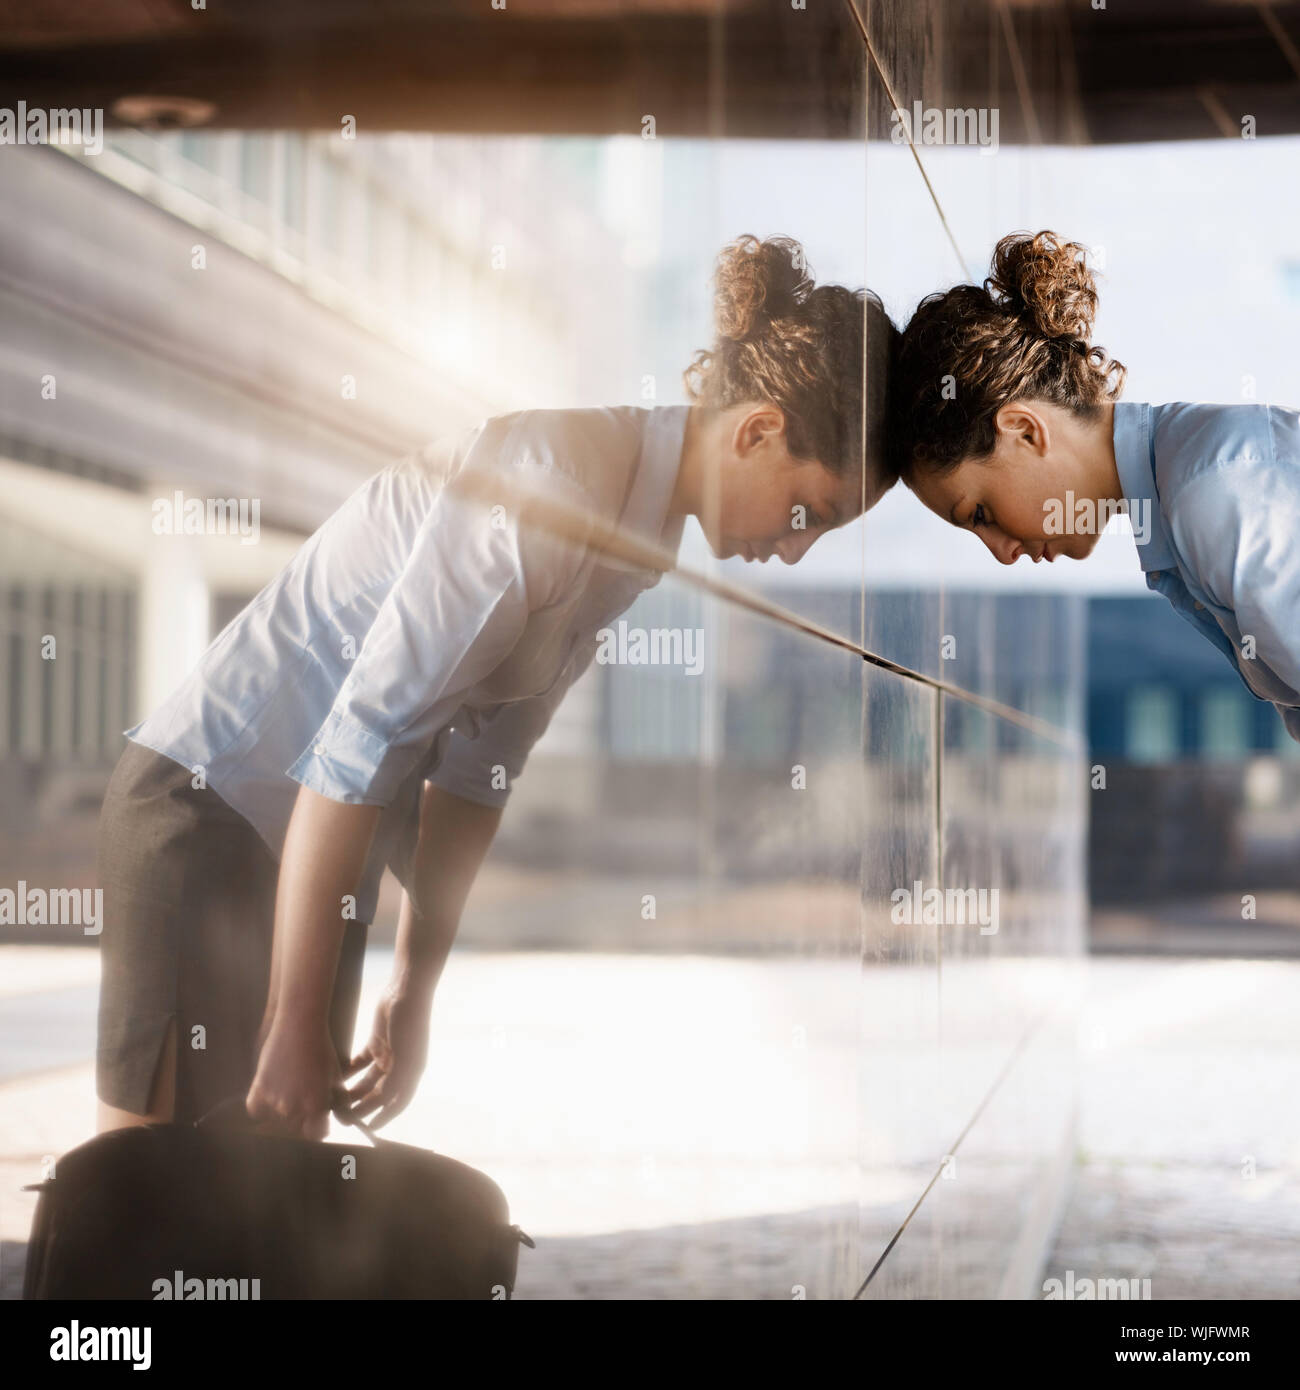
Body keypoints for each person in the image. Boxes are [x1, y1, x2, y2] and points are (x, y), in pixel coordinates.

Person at [95, 233, 901, 1141]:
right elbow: (359, 738)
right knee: (139, 1191)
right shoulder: (558, 474)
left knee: (270, 1193)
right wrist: (292, 1021)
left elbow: (479, 774)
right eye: (810, 513)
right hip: (210, 803)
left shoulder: (641, 536)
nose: (795, 549)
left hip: (321, 855)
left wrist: (414, 989)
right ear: (756, 430)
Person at [887, 228, 1300, 743]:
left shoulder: (1209, 491)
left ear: (1024, 430)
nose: (1002, 554)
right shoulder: (1184, 490)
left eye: (980, 514)